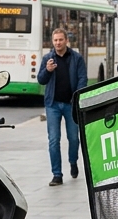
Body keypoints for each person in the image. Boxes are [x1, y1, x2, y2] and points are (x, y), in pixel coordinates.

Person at [36, 28, 87, 186]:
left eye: (60, 40)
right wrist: (48, 70)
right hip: (53, 105)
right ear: (52, 42)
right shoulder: (48, 58)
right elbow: (41, 79)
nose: (58, 43)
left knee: (73, 138)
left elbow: (82, 79)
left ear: (66, 41)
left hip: (70, 104)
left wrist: (76, 97)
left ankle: (73, 161)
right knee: (53, 139)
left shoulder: (76, 58)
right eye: (55, 40)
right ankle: (57, 174)